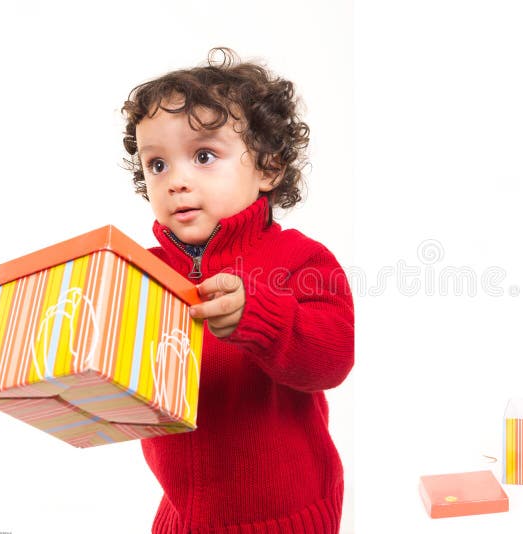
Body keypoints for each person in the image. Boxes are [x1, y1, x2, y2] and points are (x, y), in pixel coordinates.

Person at [122, 48, 354, 533]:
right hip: (183, 516)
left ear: (268, 168)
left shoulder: (301, 260)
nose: (176, 181)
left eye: (204, 156)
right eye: (158, 164)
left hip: (287, 515)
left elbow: (332, 360)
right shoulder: (143, 273)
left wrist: (262, 317)